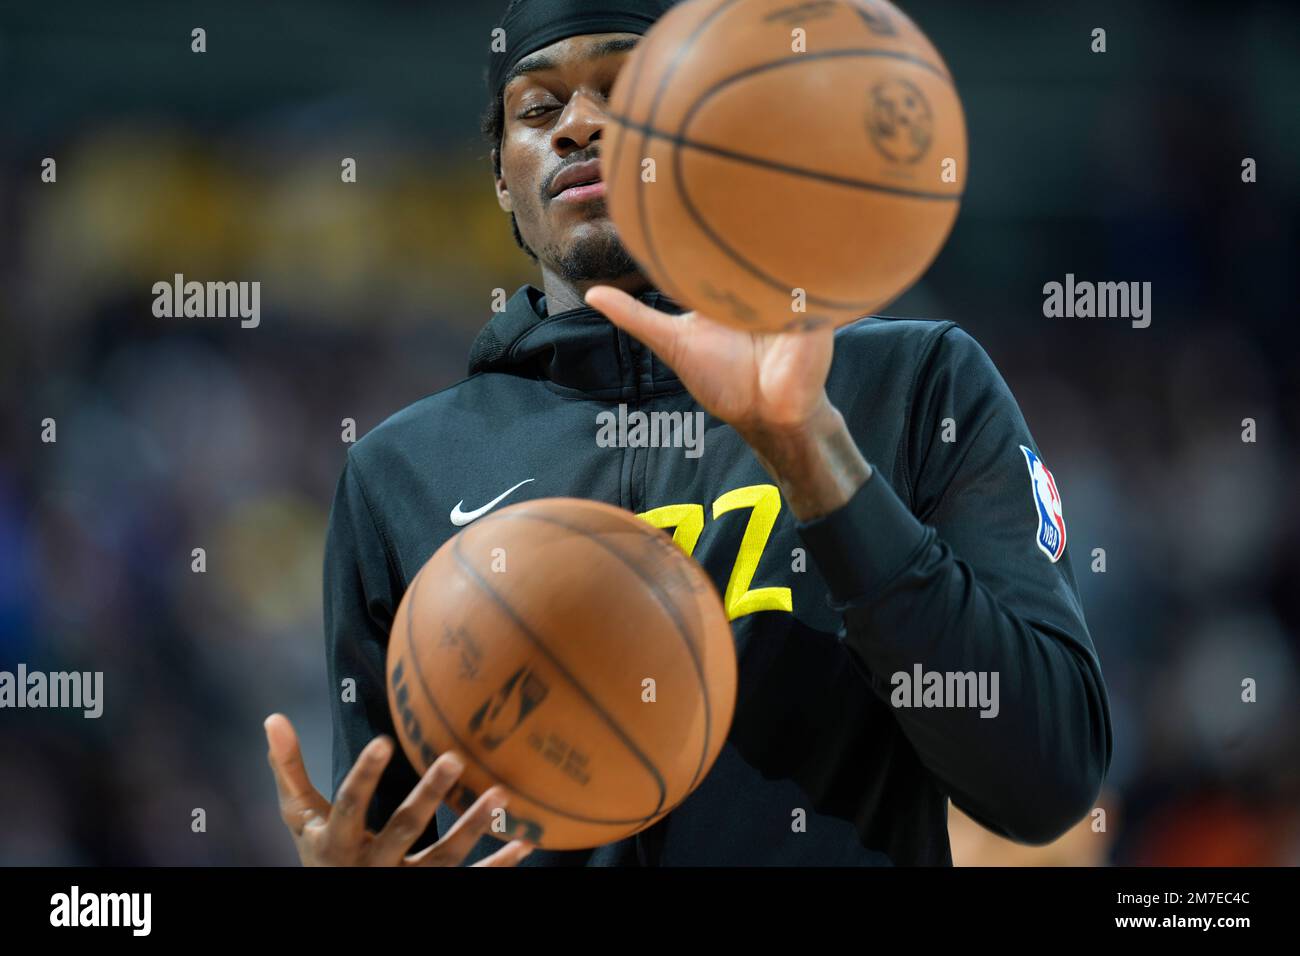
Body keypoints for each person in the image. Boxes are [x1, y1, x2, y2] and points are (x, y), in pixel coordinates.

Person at [265, 0, 1112, 866]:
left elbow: (1046, 783)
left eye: (623, 86)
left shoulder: (908, 383)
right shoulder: (399, 471)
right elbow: (399, 837)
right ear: (501, 176)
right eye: (538, 109)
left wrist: (814, 455)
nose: (578, 126)